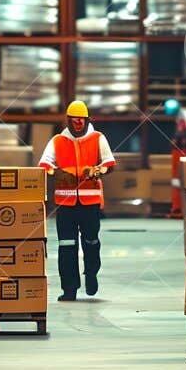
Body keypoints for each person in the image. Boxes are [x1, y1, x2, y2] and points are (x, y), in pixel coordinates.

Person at [39, 100, 116, 301]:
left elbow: (109, 162)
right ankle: (69, 289)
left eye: (81, 120)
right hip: (65, 206)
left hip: (90, 204)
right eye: (74, 121)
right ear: (68, 121)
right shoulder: (57, 140)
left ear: (87, 119)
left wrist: (98, 170)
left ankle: (91, 274)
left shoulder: (98, 138)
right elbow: (44, 162)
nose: (78, 124)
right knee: (67, 245)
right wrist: (55, 172)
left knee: (91, 242)